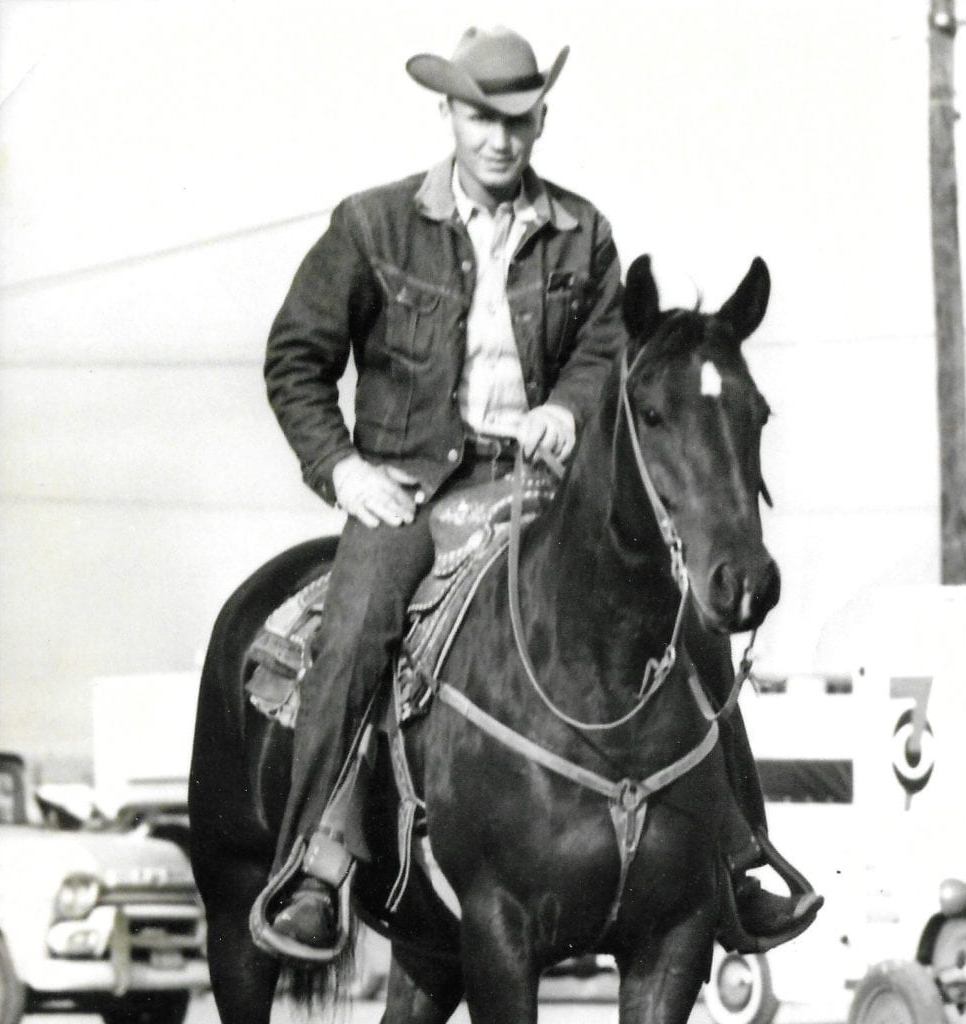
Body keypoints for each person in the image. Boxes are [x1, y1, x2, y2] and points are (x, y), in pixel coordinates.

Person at [256, 25, 821, 962]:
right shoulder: (371, 226)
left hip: (541, 490)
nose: (499, 139)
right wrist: (346, 472)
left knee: (688, 621)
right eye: (481, 116)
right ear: (448, 113)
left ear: (541, 120)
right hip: (409, 492)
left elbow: (610, 351)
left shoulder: (583, 232)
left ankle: (739, 856)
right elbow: (296, 361)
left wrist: (566, 407)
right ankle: (312, 867)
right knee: (359, 624)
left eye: (518, 120)